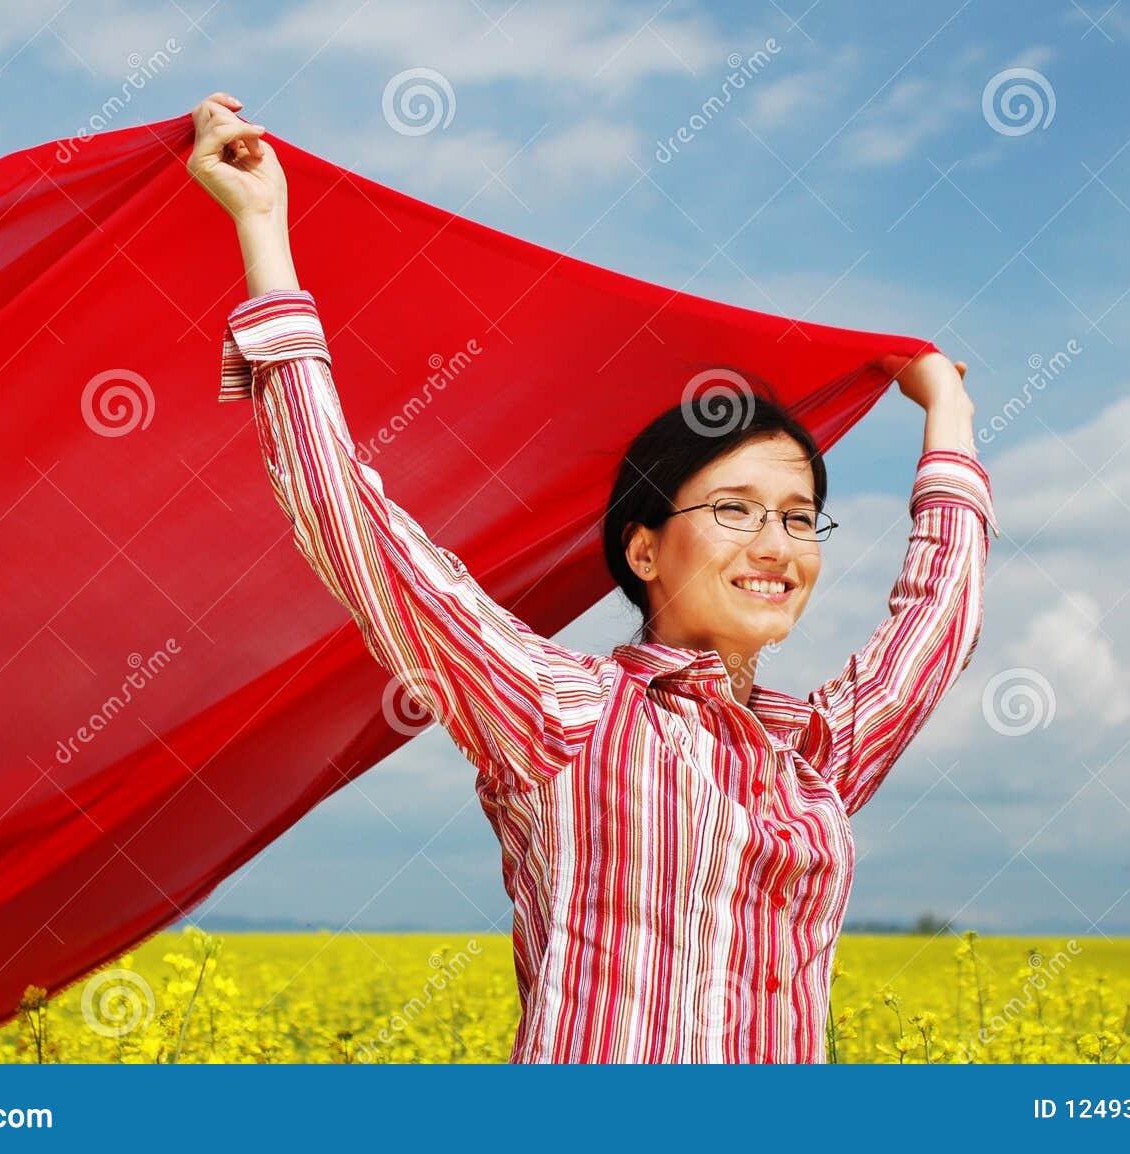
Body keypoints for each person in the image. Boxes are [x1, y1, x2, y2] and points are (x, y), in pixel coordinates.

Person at [187, 92, 1001, 1063]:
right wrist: (264, 233)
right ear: (645, 547)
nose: (775, 545)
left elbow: (937, 622)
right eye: (733, 509)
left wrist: (944, 406)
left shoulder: (810, 757)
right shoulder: (560, 712)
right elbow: (352, 526)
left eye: (796, 517)